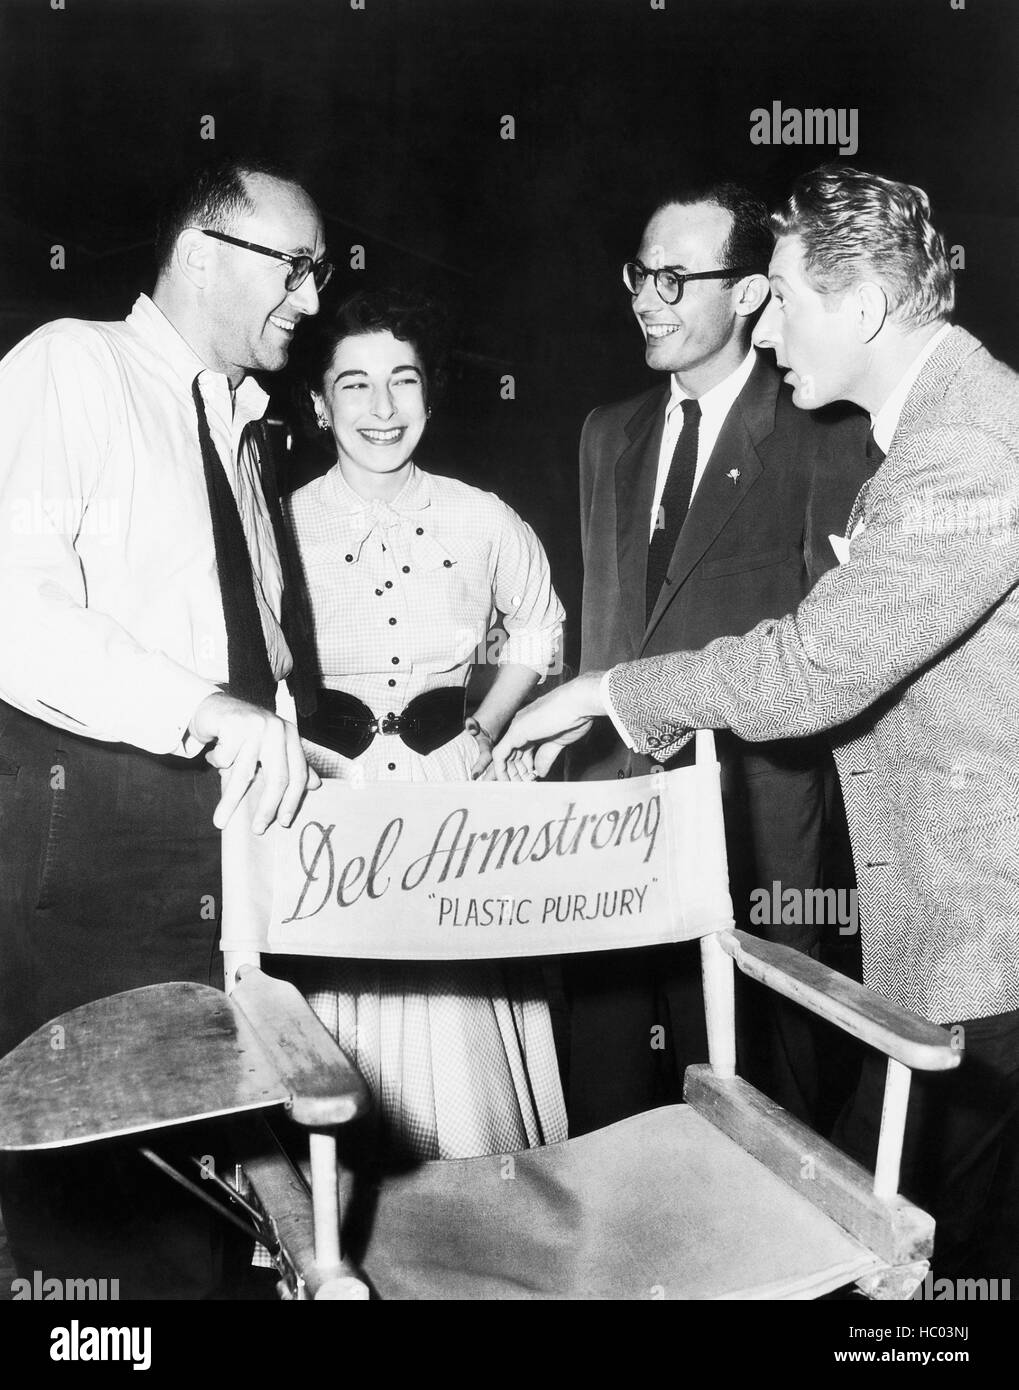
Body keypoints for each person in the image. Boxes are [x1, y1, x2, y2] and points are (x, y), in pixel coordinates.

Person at [493, 166, 1019, 1287]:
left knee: (919, 1249)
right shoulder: (937, 425)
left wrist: (604, 694)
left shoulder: (964, 447)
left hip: (985, 935)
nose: (762, 323)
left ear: (861, 310)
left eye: (778, 295)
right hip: (949, 929)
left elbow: (814, 666)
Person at [0, 156, 328, 1297]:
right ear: (200, 255)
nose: (315, 297)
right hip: (92, 839)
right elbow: (12, 605)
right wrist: (202, 708)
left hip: (229, 850)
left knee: (219, 1201)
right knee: (106, 1229)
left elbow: (264, 657)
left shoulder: (247, 427)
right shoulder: (68, 368)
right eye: (295, 267)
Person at [566, 182, 870, 1131]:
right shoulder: (605, 433)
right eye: (638, 274)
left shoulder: (826, 434)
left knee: (764, 1090)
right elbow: (605, 632)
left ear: (746, 295)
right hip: (616, 818)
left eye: (672, 278)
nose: (645, 299)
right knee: (613, 1084)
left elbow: (833, 652)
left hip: (761, 823)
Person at [286, 287, 568, 1161]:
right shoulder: (281, 520)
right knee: (344, 1022)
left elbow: (539, 626)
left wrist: (483, 729)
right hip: (330, 806)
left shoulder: (479, 515)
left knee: (453, 1019)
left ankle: (480, 1230)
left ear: (430, 395)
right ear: (318, 403)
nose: (381, 409)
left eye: (403, 382)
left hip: (450, 796)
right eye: (355, 384)